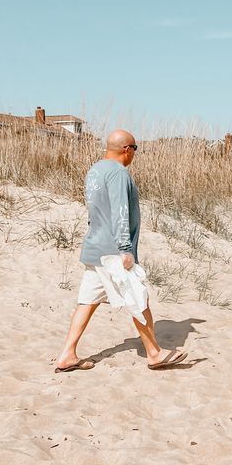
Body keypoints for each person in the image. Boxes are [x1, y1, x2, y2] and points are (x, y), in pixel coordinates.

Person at [55, 129, 188, 372]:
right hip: (112, 251)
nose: (135, 153)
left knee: (87, 301)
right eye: (135, 148)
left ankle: (67, 354)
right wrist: (125, 248)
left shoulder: (95, 170)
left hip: (95, 246)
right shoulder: (118, 173)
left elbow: (95, 211)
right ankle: (154, 353)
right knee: (138, 297)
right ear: (126, 149)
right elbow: (119, 211)